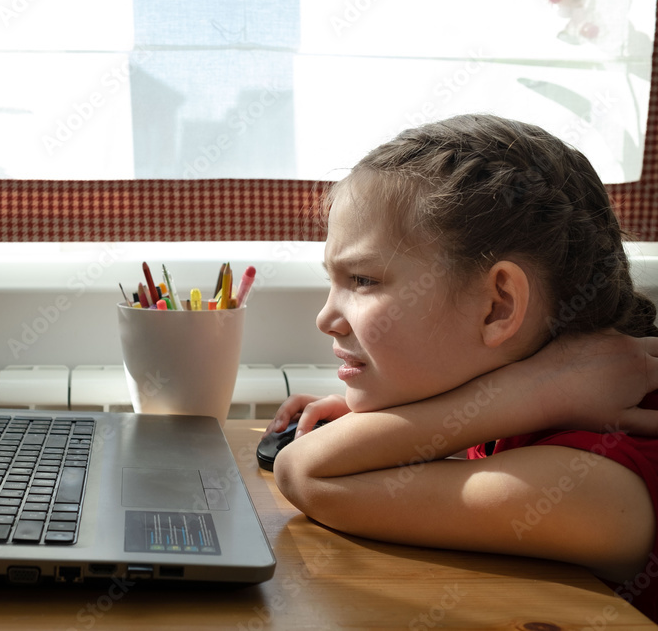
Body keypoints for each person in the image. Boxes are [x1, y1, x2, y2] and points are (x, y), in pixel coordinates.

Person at [268, 114, 658, 620]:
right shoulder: (533, 414)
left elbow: (307, 472)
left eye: (363, 280)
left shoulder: (591, 480)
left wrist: (537, 390)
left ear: (498, 305)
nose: (325, 318)